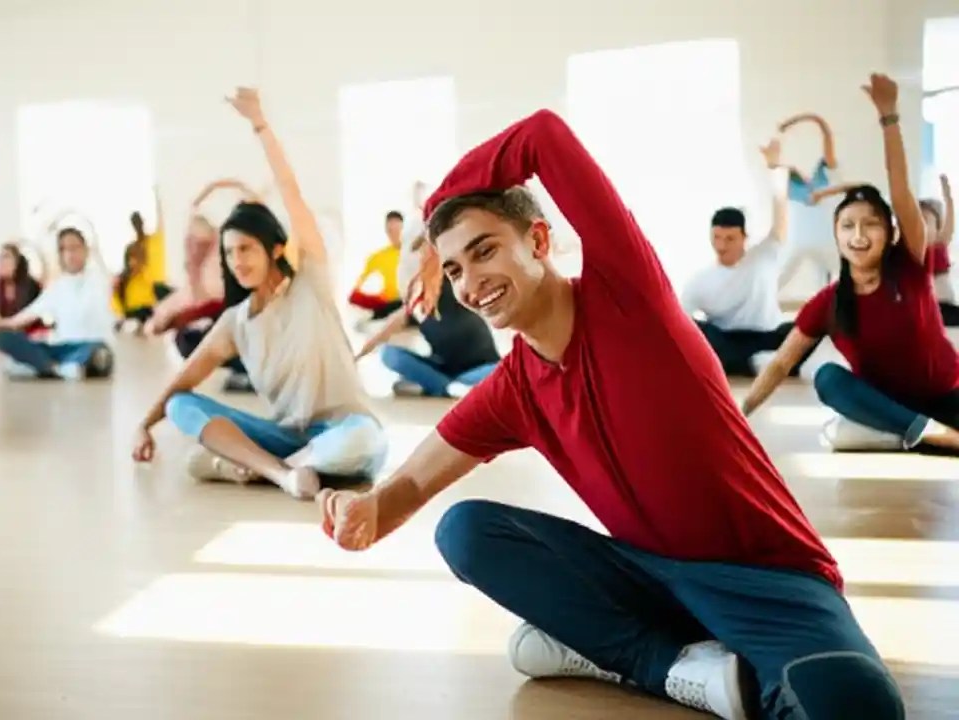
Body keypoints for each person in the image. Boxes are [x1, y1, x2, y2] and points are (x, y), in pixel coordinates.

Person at [318, 105, 902, 720]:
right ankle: (666, 665)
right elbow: (412, 482)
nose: (469, 283)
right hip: (652, 583)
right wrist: (367, 510)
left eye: (484, 251)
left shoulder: (629, 292)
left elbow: (542, 134)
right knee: (464, 530)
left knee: (854, 703)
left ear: (539, 240)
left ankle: (604, 647)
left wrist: (432, 215)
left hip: (772, 583)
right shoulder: (513, 388)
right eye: (455, 268)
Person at [130, 88, 387, 500]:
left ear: (275, 249)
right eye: (229, 252)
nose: (237, 260)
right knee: (182, 406)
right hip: (287, 439)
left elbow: (291, 192)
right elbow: (186, 378)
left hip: (344, 432)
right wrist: (144, 424)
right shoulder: (237, 320)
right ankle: (283, 473)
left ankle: (258, 467)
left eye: (246, 248)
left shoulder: (311, 284)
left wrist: (260, 125)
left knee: (366, 441)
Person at [742, 75, 959, 455]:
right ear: (837, 235)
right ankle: (931, 435)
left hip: (945, 394)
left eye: (870, 224)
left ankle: (928, 433)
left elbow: (899, 188)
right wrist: (740, 416)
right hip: (888, 408)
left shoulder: (910, 264)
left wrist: (889, 117)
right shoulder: (827, 302)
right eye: (848, 226)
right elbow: (780, 365)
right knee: (827, 377)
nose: (858, 234)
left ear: (889, 233)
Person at [682, 140, 814, 377]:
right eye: (717, 237)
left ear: (745, 237)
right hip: (729, 341)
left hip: (768, 336)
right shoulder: (700, 281)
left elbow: (780, 216)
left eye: (730, 239)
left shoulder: (763, 255)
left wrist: (774, 168)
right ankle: (761, 365)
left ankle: (762, 362)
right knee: (697, 330)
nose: (721, 245)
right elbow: (679, 322)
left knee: (807, 328)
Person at [355, 217, 500, 397]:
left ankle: (442, 387)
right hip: (446, 369)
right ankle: (447, 387)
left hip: (482, 368)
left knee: (495, 373)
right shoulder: (417, 304)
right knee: (389, 354)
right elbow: (384, 333)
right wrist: (356, 358)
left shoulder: (455, 282)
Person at [146, 178, 260, 393]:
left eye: (199, 242)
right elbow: (188, 300)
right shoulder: (197, 268)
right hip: (218, 319)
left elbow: (220, 301)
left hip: (243, 323)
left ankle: (252, 372)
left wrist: (182, 317)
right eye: (191, 242)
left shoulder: (229, 258)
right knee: (187, 338)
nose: (193, 247)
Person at [0, 227, 114, 380]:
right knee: (2, 336)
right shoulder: (57, 287)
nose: (69, 254)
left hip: (90, 348)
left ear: (86, 251)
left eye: (74, 248)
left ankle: (44, 369)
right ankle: (59, 369)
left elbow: (98, 253)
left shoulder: (100, 278)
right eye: (63, 249)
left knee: (99, 353)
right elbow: (17, 321)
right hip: (60, 350)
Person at [776, 113, 846, 296]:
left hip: (824, 240)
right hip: (799, 241)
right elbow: (773, 163)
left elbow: (827, 137)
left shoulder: (827, 175)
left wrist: (809, 119)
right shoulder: (790, 182)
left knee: (835, 281)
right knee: (776, 282)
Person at [113, 189, 170, 331]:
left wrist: (158, 196)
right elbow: (118, 308)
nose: (133, 263)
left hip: (149, 312)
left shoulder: (150, 245)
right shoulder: (123, 282)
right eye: (130, 260)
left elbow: (162, 224)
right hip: (131, 317)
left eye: (136, 259)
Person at [347, 211, 405, 322]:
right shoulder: (376, 258)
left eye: (398, 230)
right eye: (390, 230)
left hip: (406, 303)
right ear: (386, 231)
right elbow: (359, 288)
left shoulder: (415, 253)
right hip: (385, 303)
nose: (395, 234)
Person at [920, 174, 956, 325]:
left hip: (945, 305)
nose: (920, 226)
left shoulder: (939, 245)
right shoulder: (910, 250)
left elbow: (949, 224)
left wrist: (948, 197)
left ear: (937, 229)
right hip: (926, 308)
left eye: (925, 221)